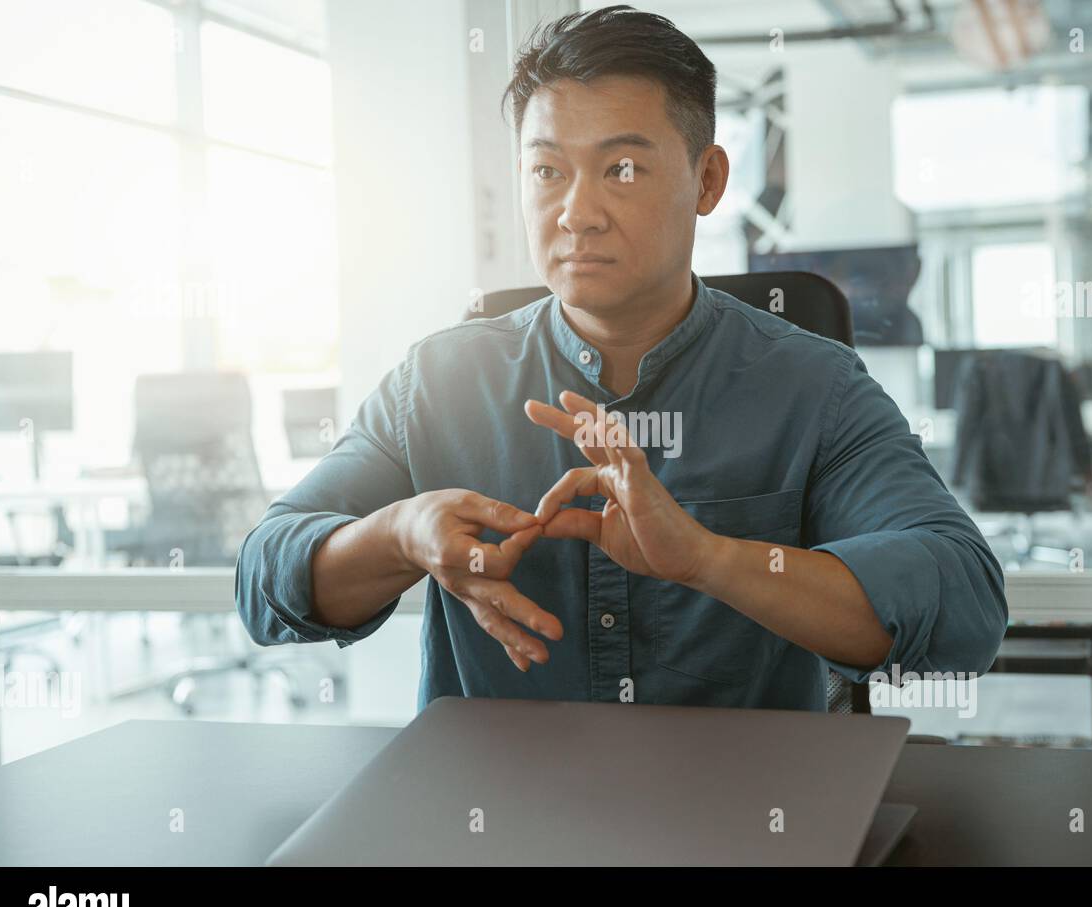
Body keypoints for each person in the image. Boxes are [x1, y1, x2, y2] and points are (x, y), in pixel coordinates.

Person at [235, 5, 1007, 711]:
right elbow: (265, 580)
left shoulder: (814, 387)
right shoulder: (437, 385)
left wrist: (707, 559)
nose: (576, 212)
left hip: (748, 820)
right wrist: (397, 535)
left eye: (622, 169)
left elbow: (963, 605)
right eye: (547, 171)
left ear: (706, 181)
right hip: (499, 821)